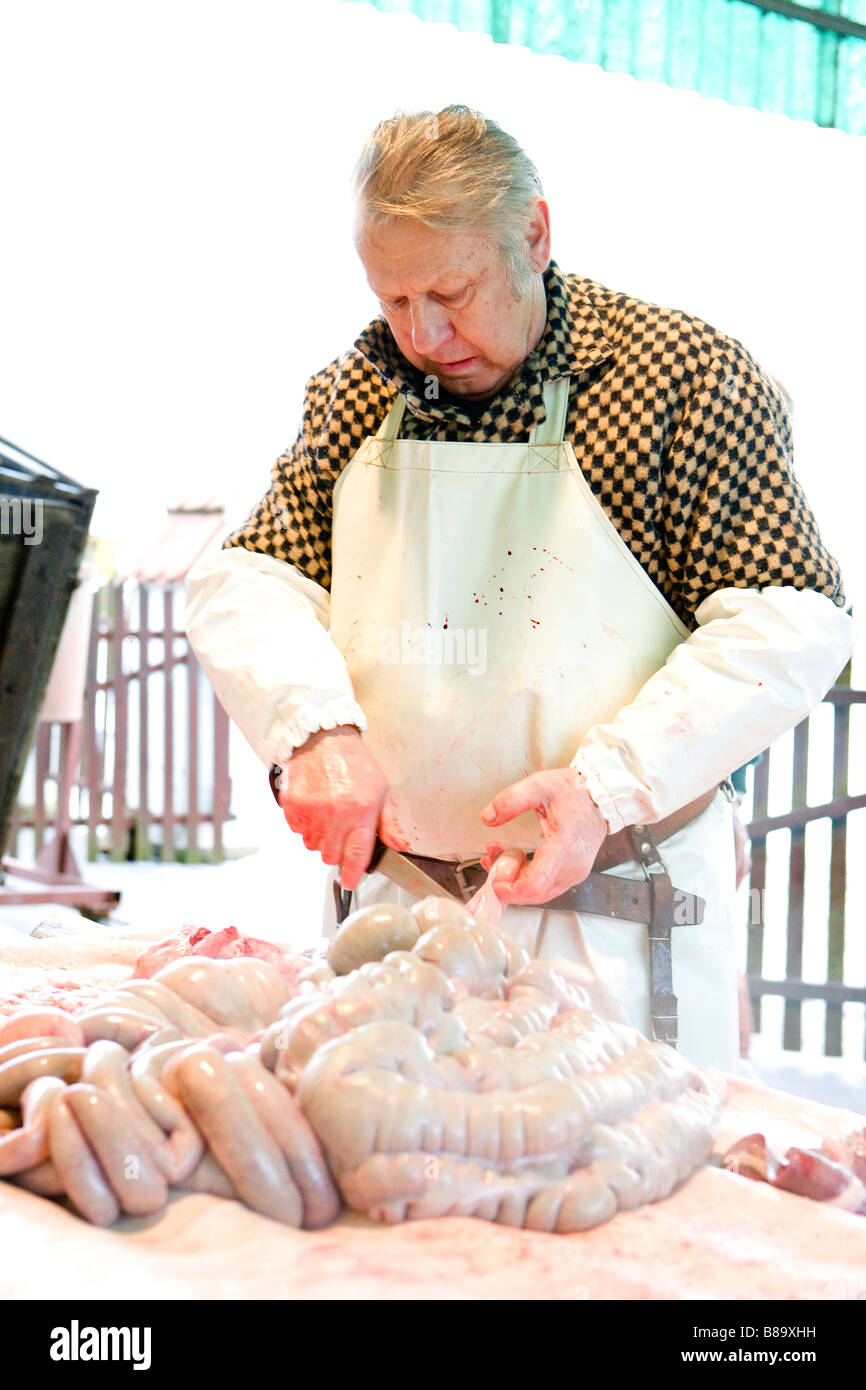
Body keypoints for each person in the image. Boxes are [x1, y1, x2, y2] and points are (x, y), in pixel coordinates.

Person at [185, 105, 852, 1071]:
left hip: (615, 921)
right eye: (394, 300)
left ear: (534, 234)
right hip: (400, 920)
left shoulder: (682, 379)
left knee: (616, 1193)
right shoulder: (358, 392)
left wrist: (605, 784)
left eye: (451, 291)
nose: (422, 333)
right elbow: (250, 577)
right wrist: (312, 729)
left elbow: (790, 616)